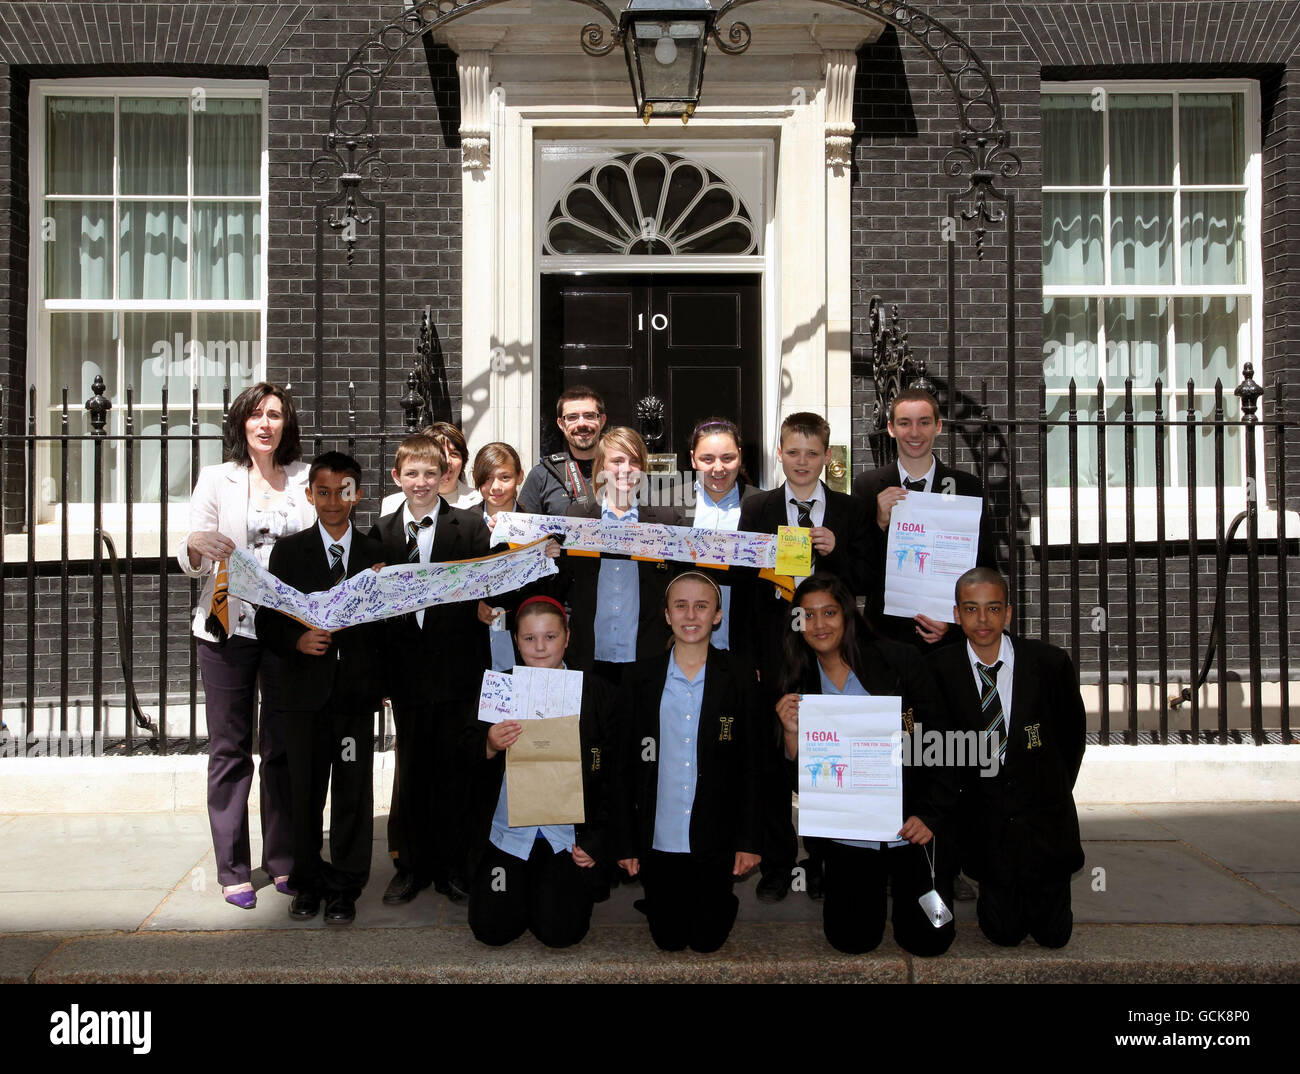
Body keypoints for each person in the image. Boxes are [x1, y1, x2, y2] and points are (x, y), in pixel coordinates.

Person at [178, 382, 314, 910]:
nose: (265, 423)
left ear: (286, 425)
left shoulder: (304, 478)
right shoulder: (218, 478)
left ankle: (282, 861)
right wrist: (194, 546)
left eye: (275, 415)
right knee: (230, 750)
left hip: (286, 633)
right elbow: (193, 548)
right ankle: (232, 867)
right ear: (241, 424)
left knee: (282, 749)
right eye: (256, 415)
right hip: (226, 630)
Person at [773, 574, 957, 956]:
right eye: (808, 616)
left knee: (934, 935)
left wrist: (930, 816)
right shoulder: (798, 679)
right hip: (848, 836)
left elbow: (942, 741)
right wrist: (791, 735)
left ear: (847, 615)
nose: (819, 624)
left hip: (911, 829)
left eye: (829, 613)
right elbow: (804, 785)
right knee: (851, 939)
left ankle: (932, 893)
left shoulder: (898, 658)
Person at [732, 411, 872, 903]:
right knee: (772, 760)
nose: (802, 462)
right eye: (793, 452)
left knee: (826, 757)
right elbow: (744, 591)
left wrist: (835, 553)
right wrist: (746, 657)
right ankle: (775, 863)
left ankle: (823, 858)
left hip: (829, 655)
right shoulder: (758, 508)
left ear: (828, 458)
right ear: (779, 453)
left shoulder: (850, 512)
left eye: (812, 453)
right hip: (773, 652)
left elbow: (867, 583)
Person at [254, 452, 385, 925]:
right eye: (323, 491)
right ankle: (307, 882)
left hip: (352, 699)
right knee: (304, 793)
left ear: (358, 494)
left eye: (344, 490)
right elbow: (268, 621)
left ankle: (347, 885)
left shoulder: (375, 554)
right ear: (309, 494)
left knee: (353, 794)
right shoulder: (288, 552)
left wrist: (381, 683)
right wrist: (297, 639)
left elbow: (387, 627)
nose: (334, 501)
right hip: (303, 698)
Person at [928, 567, 1086, 948]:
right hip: (986, 823)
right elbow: (937, 746)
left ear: (1009, 613)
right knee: (1004, 933)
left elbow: (1071, 737)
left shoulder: (1048, 663)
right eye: (971, 609)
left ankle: (1046, 891)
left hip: (1043, 821)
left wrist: (1053, 790)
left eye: (993, 608)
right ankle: (998, 893)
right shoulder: (939, 669)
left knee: (1053, 936)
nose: (983, 620)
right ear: (956, 613)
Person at [369, 432, 492, 907]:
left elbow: (486, 583)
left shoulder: (469, 526)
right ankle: (409, 865)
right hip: (406, 674)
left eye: (431, 474)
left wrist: (488, 605)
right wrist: (378, 676)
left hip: (459, 669)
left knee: (455, 769)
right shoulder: (378, 532)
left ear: (446, 477)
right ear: (397, 477)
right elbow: (371, 612)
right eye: (412, 474)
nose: (421, 482)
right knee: (411, 768)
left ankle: (452, 867)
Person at [615, 572, 762, 953]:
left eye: (702, 606)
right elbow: (623, 769)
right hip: (659, 835)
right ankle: (661, 897)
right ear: (666, 615)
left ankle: (716, 899)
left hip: (716, 834)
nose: (691, 615)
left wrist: (748, 841)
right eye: (681, 606)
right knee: (669, 940)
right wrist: (627, 842)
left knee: (707, 942)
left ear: (717, 615)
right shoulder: (638, 677)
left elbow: (752, 765)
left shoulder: (741, 675)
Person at [460, 596, 617, 947]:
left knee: (562, 933)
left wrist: (595, 841)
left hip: (565, 838)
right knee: (491, 931)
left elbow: (613, 773)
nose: (541, 647)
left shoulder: (594, 692)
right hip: (508, 835)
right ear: (516, 641)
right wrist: (489, 743)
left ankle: (544, 890)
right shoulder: (500, 686)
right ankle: (522, 888)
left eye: (550, 636)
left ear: (567, 637)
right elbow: (463, 754)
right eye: (530, 638)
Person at [852, 388, 996, 649]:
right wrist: (879, 524)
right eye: (905, 423)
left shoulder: (967, 487)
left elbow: (984, 568)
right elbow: (858, 576)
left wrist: (955, 621)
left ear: (938, 427)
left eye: (924, 422)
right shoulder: (867, 486)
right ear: (891, 428)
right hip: (884, 639)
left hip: (948, 642)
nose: (915, 433)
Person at [558, 426, 683, 685]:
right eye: (617, 460)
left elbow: (679, 583)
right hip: (589, 658)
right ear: (602, 466)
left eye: (634, 460)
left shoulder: (665, 521)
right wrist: (551, 555)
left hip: (646, 658)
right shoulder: (577, 517)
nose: (626, 468)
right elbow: (561, 584)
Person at [687, 417, 762, 654]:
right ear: (693, 459)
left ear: (739, 457)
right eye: (707, 459)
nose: (718, 468)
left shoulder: (763, 504)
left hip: (743, 638)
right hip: (683, 637)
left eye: (727, 458)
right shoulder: (669, 503)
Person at [473, 441, 527, 672]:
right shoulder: (461, 525)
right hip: (475, 645)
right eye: (487, 478)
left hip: (523, 641)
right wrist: (473, 606)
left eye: (505, 477)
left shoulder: (536, 526)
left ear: (519, 477)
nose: (495, 486)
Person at [517, 386, 606, 515]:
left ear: (602, 420)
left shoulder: (624, 470)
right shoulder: (542, 475)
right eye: (572, 417)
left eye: (589, 416)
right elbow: (523, 529)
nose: (581, 424)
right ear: (561, 424)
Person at [380, 422, 479, 515]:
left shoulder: (480, 500)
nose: (447, 460)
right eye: (441, 454)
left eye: (454, 454)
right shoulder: (393, 505)